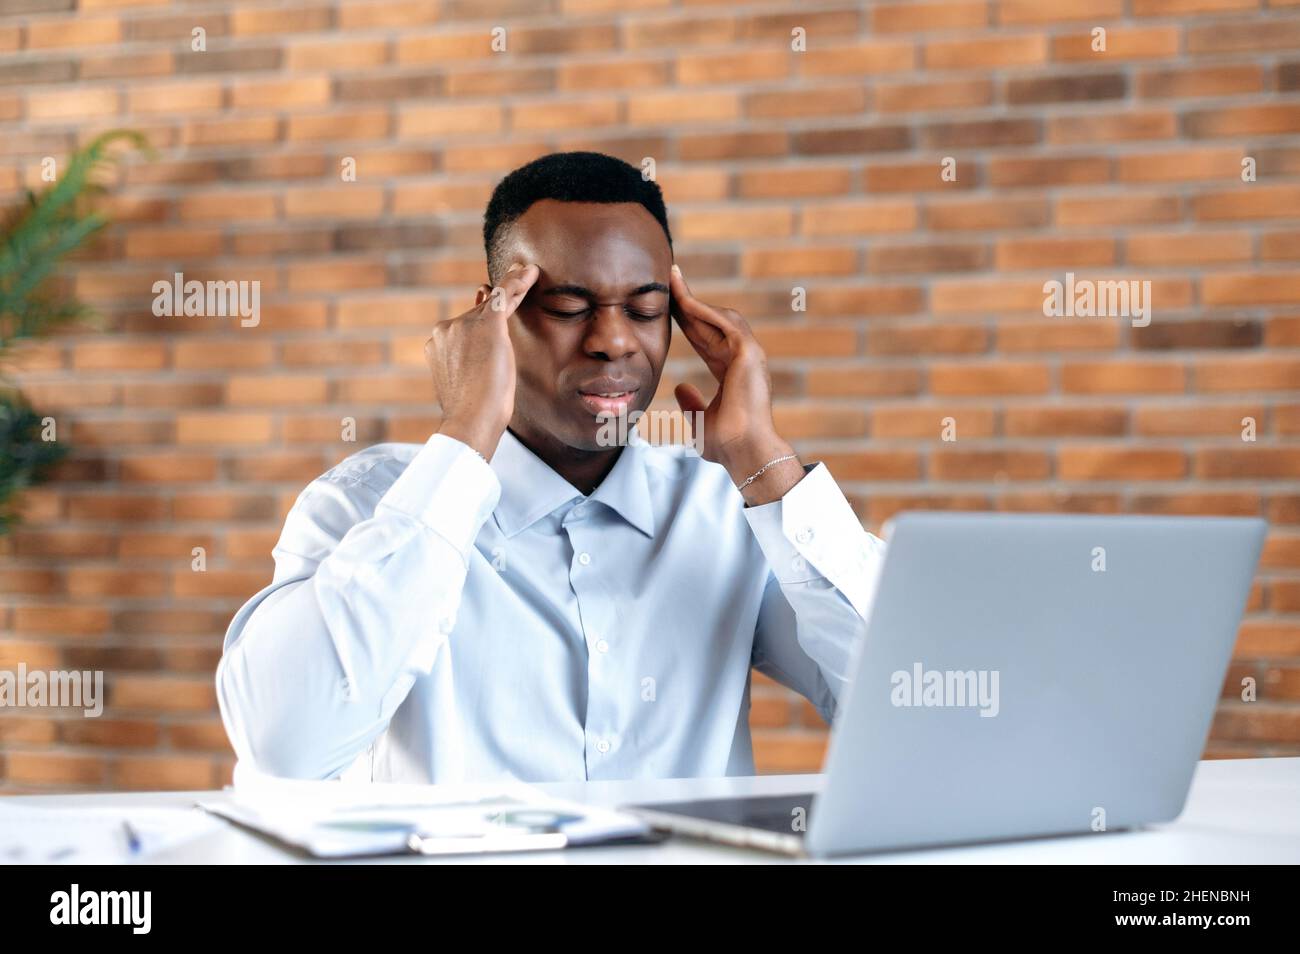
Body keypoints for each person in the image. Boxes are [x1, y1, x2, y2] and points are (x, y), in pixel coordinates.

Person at [216, 151, 885, 784]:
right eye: (569, 308)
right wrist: (466, 432)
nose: (614, 340)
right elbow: (286, 747)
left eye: (646, 310)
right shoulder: (364, 505)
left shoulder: (725, 512)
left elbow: (904, 704)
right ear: (493, 316)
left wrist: (763, 460)